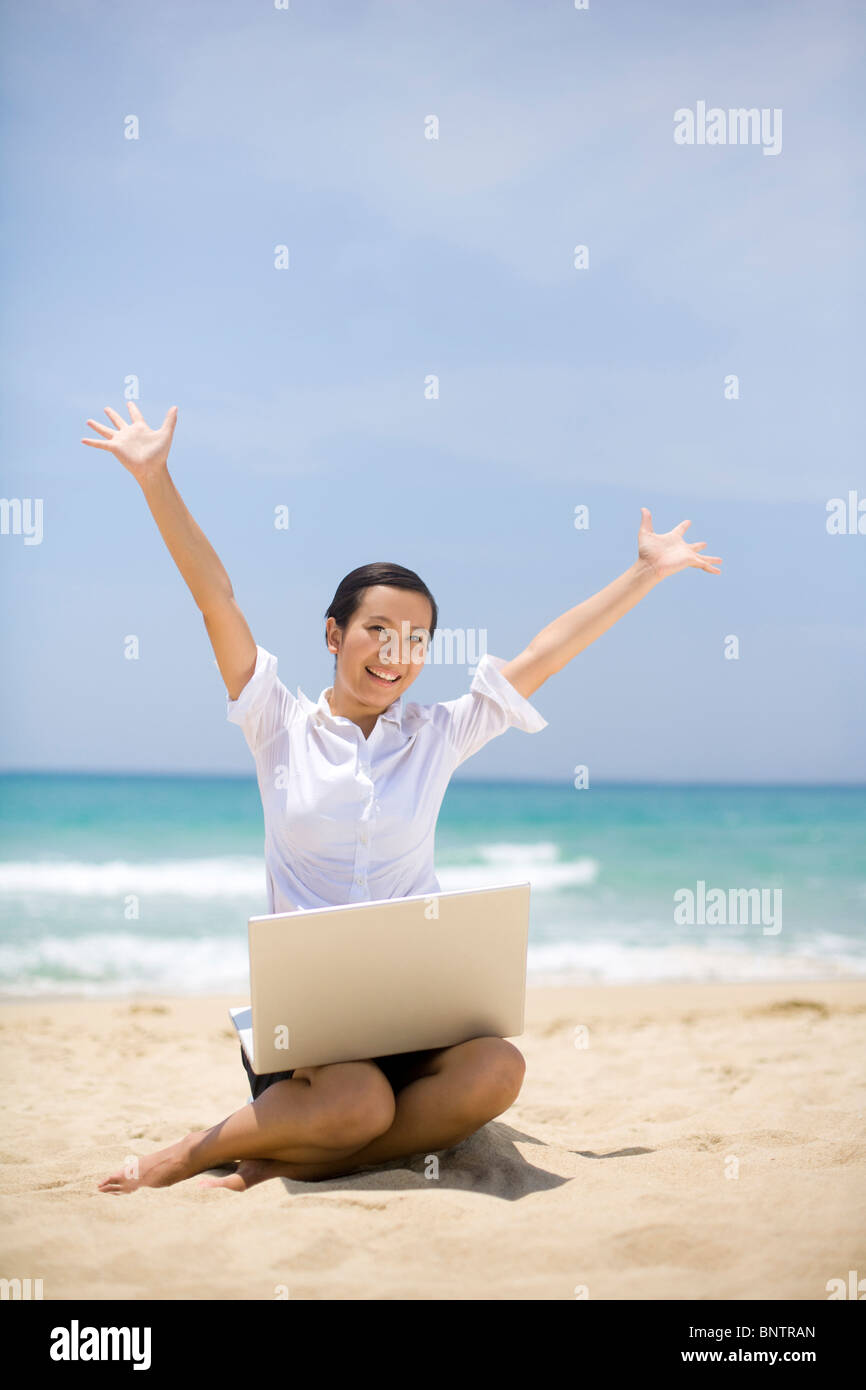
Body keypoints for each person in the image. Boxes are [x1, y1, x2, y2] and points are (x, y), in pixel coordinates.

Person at [83, 403, 721, 1193]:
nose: (396, 654)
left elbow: (543, 656)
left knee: (497, 1070)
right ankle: (196, 1151)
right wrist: (156, 479)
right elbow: (217, 599)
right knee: (356, 1100)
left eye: (415, 640)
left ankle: (279, 1163)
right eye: (377, 630)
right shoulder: (276, 723)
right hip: (314, 1026)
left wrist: (645, 572)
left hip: (414, 1009)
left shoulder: (436, 735)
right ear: (333, 634)